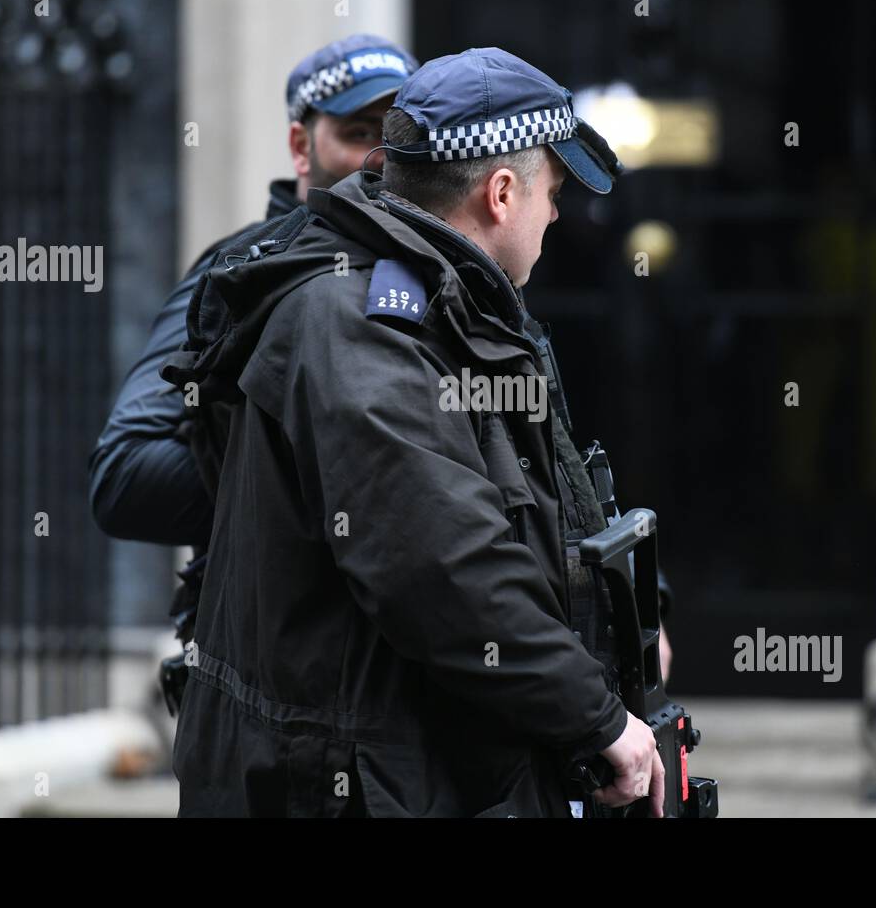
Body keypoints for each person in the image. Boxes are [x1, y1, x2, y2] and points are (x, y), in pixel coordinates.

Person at [166, 47, 668, 818]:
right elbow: (441, 565)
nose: (558, 215)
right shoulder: (362, 323)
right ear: (501, 194)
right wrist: (596, 719)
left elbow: (526, 519)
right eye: (554, 191)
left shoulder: (442, 304)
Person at [88, 34, 418, 547]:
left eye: (393, 134)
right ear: (300, 146)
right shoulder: (235, 274)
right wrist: (330, 484)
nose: (379, 157)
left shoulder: (433, 267)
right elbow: (123, 475)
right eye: (357, 131)